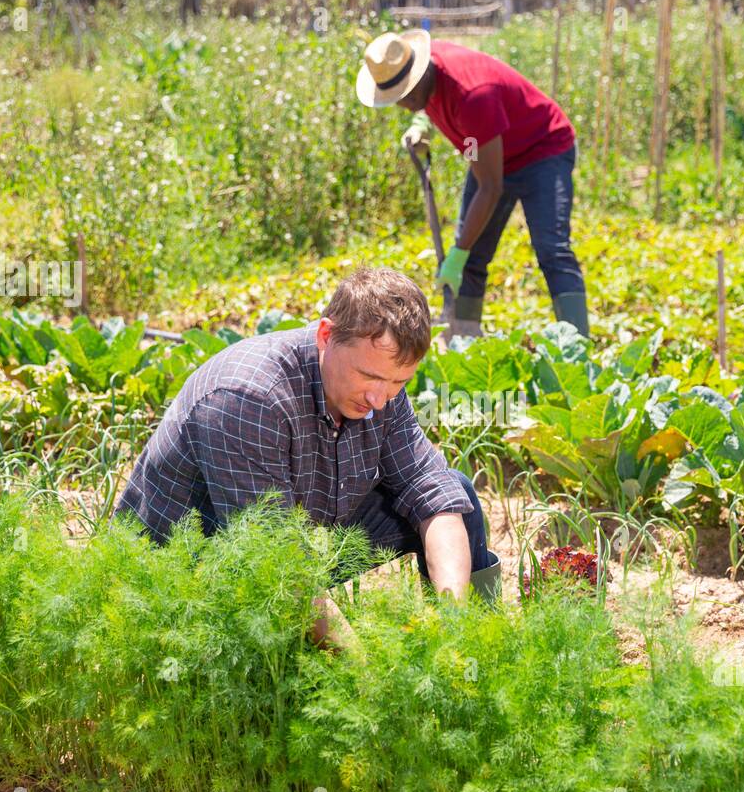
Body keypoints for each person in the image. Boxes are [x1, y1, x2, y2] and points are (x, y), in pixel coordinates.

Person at [115, 268, 500, 647]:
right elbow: (276, 563)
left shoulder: (380, 393)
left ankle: (475, 651)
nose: (378, 400)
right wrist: (367, 677)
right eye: (368, 377)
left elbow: (428, 487)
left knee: (455, 496)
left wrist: (454, 617)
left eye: (398, 382)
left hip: (285, 550)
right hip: (188, 575)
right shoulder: (249, 399)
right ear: (326, 335)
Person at [355, 28, 590, 339]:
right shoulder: (425, 73)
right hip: (489, 146)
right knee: (473, 256)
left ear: (422, 72)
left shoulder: (472, 95)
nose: (405, 105)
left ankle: (577, 347)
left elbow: (490, 187)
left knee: (552, 251)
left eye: (407, 96)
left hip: (542, 150)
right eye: (397, 99)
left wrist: (458, 253)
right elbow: (475, 151)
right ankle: (465, 341)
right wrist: (422, 123)